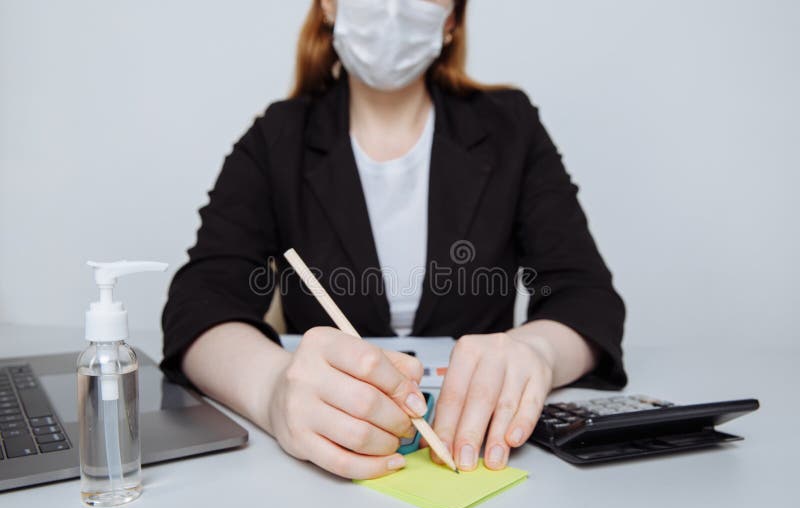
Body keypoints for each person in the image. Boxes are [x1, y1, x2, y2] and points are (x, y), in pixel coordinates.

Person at [161, 0, 626, 480]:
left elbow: (587, 297)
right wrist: (272, 389)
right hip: (322, 482)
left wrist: (537, 353)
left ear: (451, 19)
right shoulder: (277, 138)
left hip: (483, 453)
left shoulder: (511, 126)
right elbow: (198, 303)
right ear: (328, 7)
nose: (392, 9)